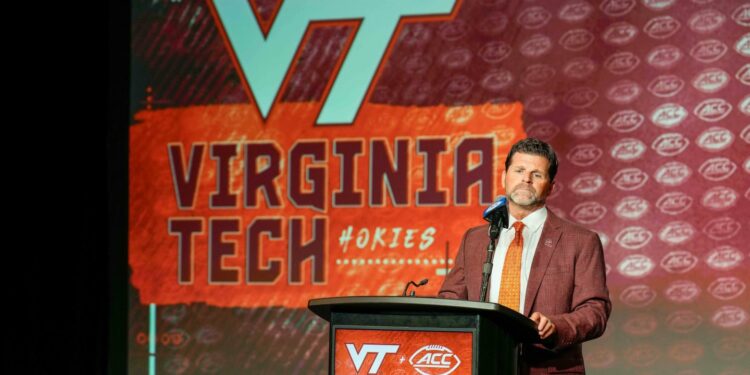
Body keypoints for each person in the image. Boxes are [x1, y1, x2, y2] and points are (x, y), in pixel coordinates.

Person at [439, 138, 611, 374]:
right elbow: (452, 297)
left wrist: (557, 326)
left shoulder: (580, 241)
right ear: (504, 177)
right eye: (519, 170)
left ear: (550, 186)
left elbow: (595, 310)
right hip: (482, 363)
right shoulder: (476, 238)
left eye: (537, 174)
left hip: (548, 366)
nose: (526, 179)